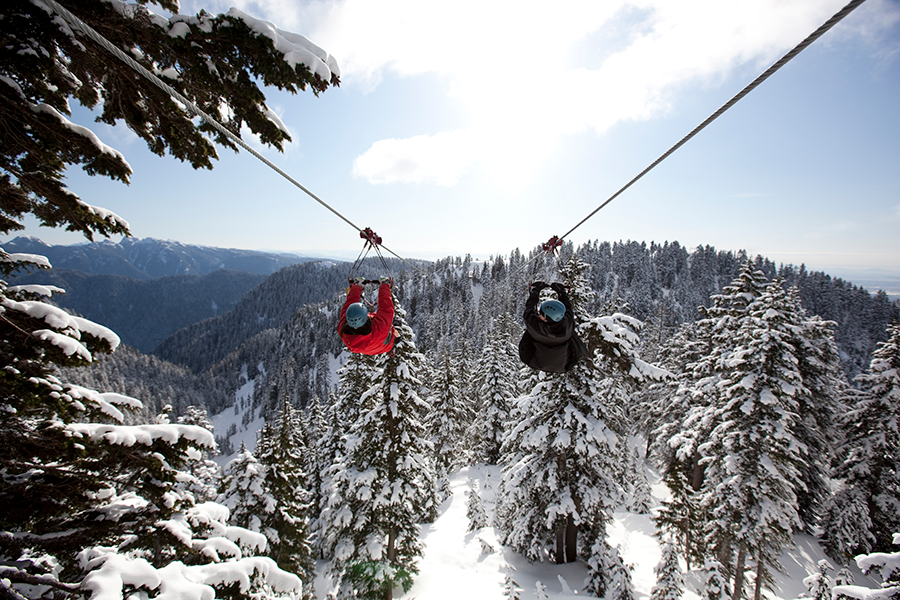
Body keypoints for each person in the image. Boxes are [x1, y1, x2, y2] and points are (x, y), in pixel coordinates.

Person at [518, 281, 588, 373]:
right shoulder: (567, 326)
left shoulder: (534, 326)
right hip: (564, 364)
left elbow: (529, 309)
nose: (538, 313)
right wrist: (561, 292)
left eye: (540, 313)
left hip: (534, 361)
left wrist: (535, 291)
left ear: (545, 317)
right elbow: (568, 310)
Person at [338, 278, 396, 355]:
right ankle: (391, 348)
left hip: (372, 348)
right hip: (385, 346)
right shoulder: (378, 330)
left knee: (389, 325)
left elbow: (349, 305)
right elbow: (386, 309)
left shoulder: (344, 329)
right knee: (397, 329)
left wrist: (356, 287)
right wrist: (384, 286)